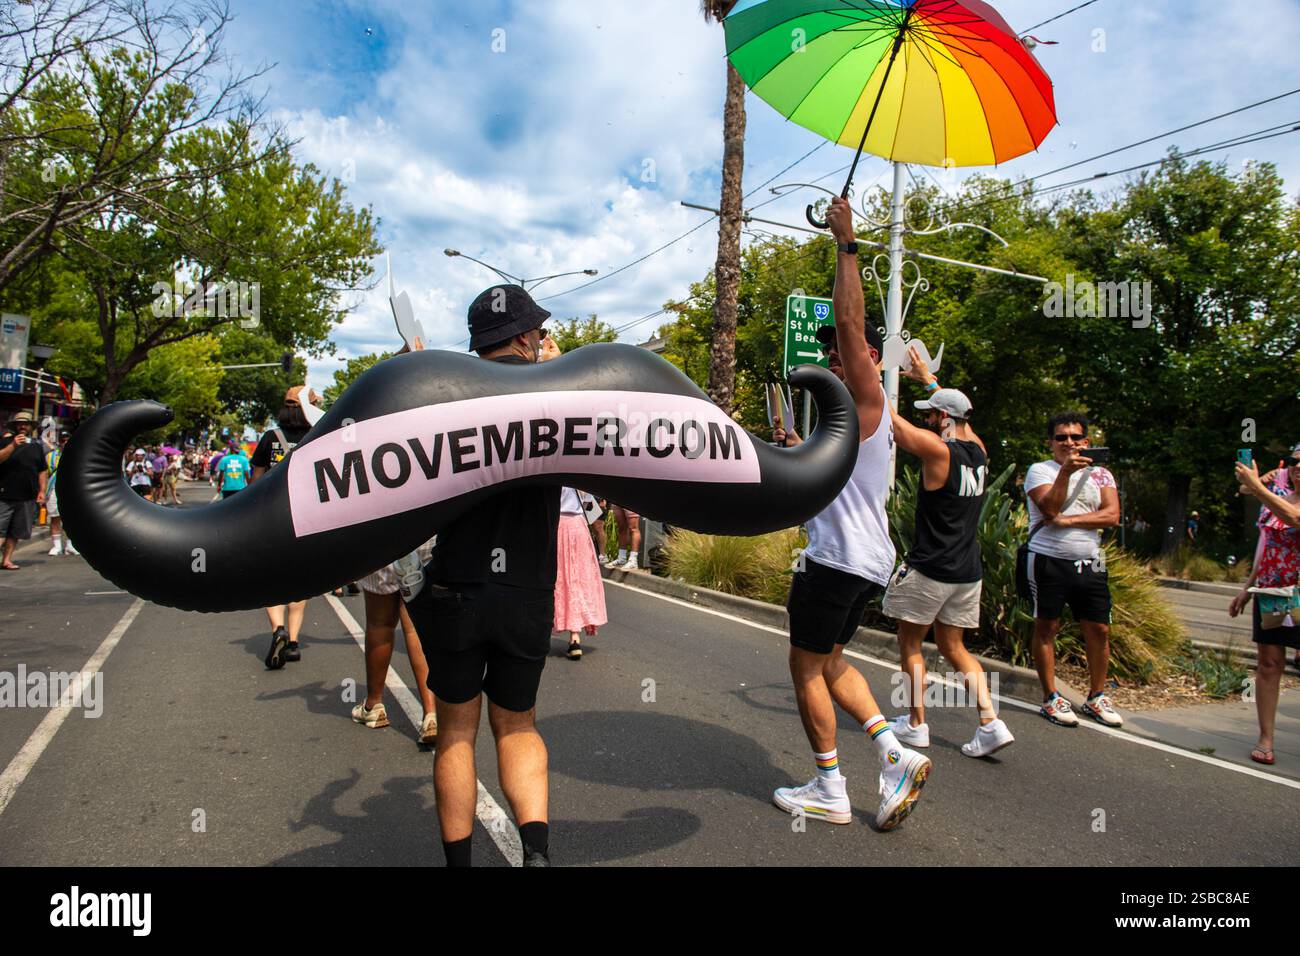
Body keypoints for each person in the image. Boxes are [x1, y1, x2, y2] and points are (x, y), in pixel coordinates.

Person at [768, 196, 931, 831]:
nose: (834, 360)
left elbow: (849, 320)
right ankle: (893, 753)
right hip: (864, 564)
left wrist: (846, 240)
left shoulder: (866, 397)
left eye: (841, 355)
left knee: (804, 665)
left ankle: (830, 787)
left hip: (837, 563)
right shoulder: (838, 428)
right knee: (831, 660)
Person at [405, 284, 562, 866]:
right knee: (518, 726)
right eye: (539, 332)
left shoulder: (444, 400)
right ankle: (536, 855)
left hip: (456, 586)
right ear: (524, 337)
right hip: (526, 589)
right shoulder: (561, 398)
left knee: (456, 733)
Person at [882, 348, 1014, 758]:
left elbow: (896, 428)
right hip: (967, 572)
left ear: (943, 420)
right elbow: (963, 422)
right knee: (955, 648)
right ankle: (990, 721)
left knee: (911, 643)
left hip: (931, 568)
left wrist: (869, 376)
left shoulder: (940, 452)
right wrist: (929, 381)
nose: (926, 420)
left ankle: (917, 724)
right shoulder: (980, 451)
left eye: (931, 415)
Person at [1024, 411, 1124, 728]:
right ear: (1050, 442)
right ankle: (1051, 696)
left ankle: (1096, 696)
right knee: (1046, 627)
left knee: (1099, 629)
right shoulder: (1040, 470)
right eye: (1061, 437)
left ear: (1087, 441)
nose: (1069, 442)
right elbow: (1049, 508)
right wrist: (1065, 474)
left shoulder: (1102, 475)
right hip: (1048, 559)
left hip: (1090, 560)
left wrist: (1068, 522)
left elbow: (1111, 516)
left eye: (1075, 437)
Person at [1229, 450, 1300, 765]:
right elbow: (1268, 548)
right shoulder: (1279, 497)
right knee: (1270, 665)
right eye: (1295, 462)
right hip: (1273, 592)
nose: (1299, 467)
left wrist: (1256, 486)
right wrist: (1246, 590)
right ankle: (1266, 738)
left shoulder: (1280, 502)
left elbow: (1295, 519)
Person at [252, 388, 316, 669]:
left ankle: (278, 628)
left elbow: (256, 480)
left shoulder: (269, 438)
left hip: (271, 518)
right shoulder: (316, 436)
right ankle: (293, 641)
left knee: (271, 578)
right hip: (305, 517)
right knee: (299, 579)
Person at [351, 539, 439, 744]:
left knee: (379, 624)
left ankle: (373, 705)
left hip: (384, 540)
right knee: (416, 627)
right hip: (423, 538)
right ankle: (431, 713)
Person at [555, 488, 608, 660]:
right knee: (578, 579)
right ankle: (574, 636)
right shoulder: (577, 480)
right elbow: (592, 512)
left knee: (558, 579)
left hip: (558, 526)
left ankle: (547, 626)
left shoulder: (554, 477)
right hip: (578, 528)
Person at [0, 411, 48, 571]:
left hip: (27, 495)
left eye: (25, 424)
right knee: (0, 530)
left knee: (16, 531)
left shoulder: (36, 447)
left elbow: (42, 470)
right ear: (14, 426)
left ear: (30, 427)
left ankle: (6, 560)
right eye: (19, 424)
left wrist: (42, 490)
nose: (22, 426)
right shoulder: (4, 441)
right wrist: (13, 445)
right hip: (5, 494)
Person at [45, 431, 79, 556]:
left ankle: (70, 545)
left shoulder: (78, 454)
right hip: (54, 488)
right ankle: (56, 545)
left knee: (72, 519)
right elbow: (45, 473)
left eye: (67, 440)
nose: (65, 442)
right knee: (55, 516)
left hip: (72, 489)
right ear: (59, 442)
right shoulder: (51, 456)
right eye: (62, 440)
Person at [605, 503, 641, 570]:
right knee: (621, 528)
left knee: (633, 528)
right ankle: (621, 558)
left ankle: (633, 560)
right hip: (617, 499)